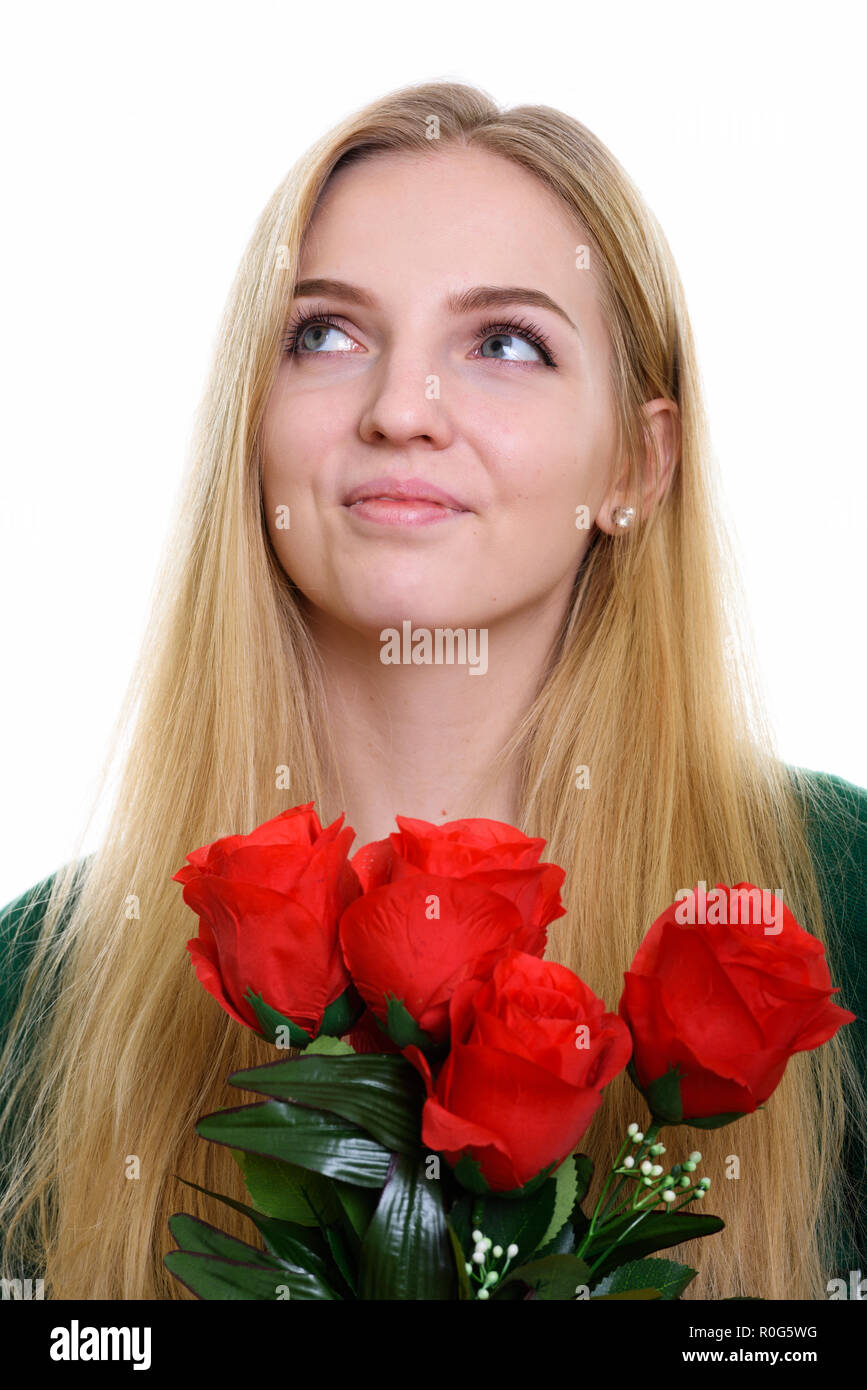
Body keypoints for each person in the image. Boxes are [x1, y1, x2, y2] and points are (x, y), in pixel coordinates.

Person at [1, 79, 864, 1301]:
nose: (401, 410)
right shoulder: (37, 985)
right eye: (324, 334)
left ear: (637, 460)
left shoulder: (842, 899)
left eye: (506, 342)